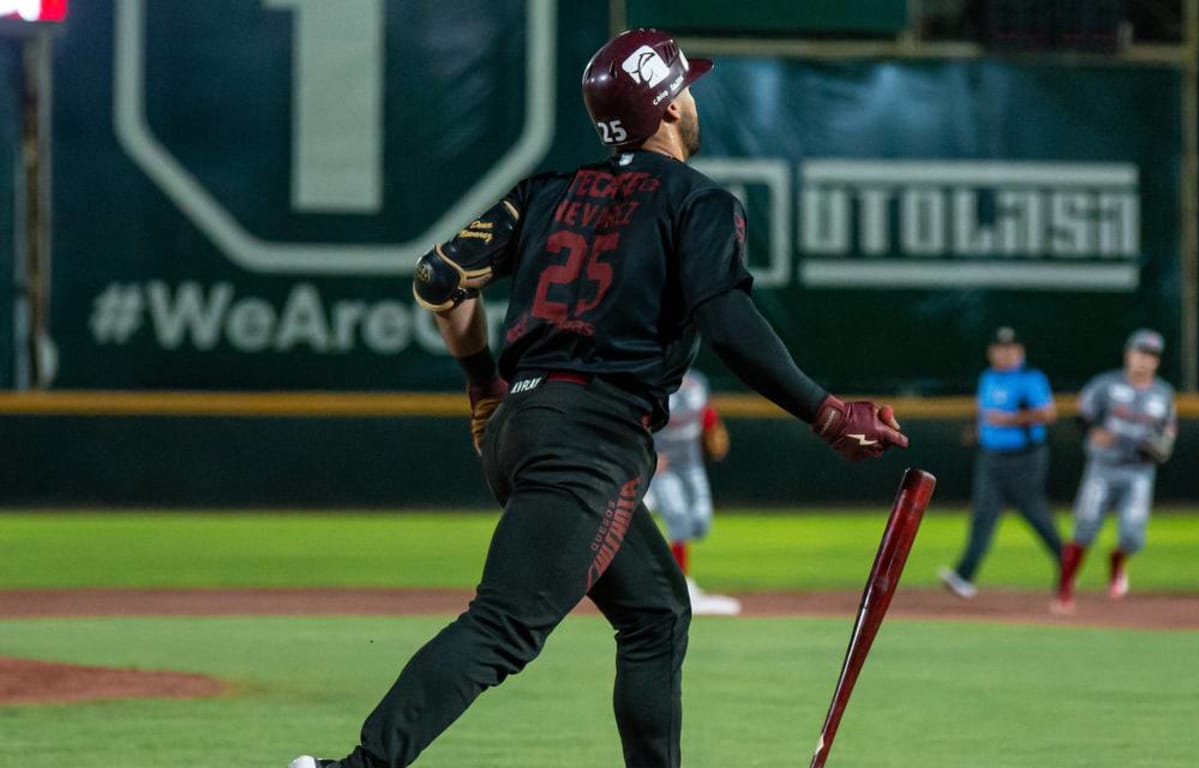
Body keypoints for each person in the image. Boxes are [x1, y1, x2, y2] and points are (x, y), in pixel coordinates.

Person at [290, 28, 907, 768]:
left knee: (655, 612)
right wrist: (826, 411)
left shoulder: (545, 194)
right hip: (592, 438)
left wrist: (483, 382)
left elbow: (438, 280)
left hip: (519, 424)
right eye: (685, 85)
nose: (691, 96)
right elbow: (728, 321)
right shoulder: (698, 203)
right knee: (504, 626)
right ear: (668, 106)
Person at [1052, 329, 1177, 614]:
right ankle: (1064, 588)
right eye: (1141, 353)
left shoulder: (1163, 393)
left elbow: (1167, 435)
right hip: (1103, 468)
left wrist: (1159, 447)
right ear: (1128, 354)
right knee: (1084, 528)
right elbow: (1081, 417)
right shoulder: (1104, 386)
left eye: (1152, 356)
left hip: (1139, 472)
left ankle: (1117, 561)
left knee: (1133, 536)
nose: (1145, 360)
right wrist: (1094, 432)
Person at [939, 326, 1061, 599]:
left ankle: (1067, 561)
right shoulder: (988, 378)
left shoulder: (1030, 378)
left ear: (1020, 352)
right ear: (991, 352)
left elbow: (1048, 413)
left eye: (1010, 348)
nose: (1004, 353)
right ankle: (964, 575)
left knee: (1034, 513)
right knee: (983, 516)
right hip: (991, 458)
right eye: (999, 348)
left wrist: (1008, 420)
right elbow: (985, 415)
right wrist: (978, 432)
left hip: (1025, 457)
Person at [644, 368, 740, 615]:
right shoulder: (654, 379)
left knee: (700, 523)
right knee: (678, 520)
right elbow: (640, 417)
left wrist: (712, 422)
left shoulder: (698, 381)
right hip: (664, 466)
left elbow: (704, 411)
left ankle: (667, 576)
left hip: (690, 463)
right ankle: (679, 583)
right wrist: (649, 454)